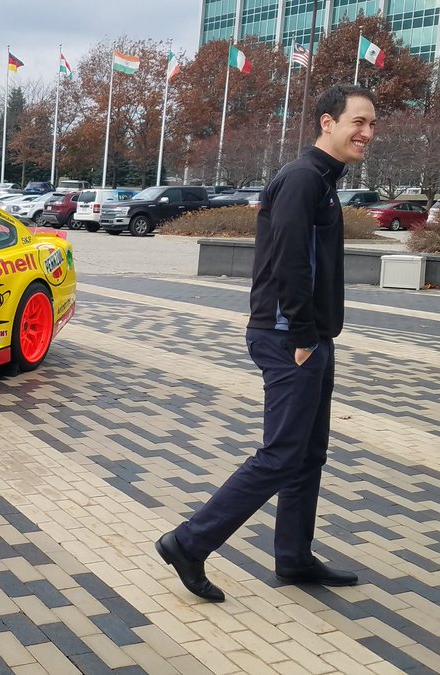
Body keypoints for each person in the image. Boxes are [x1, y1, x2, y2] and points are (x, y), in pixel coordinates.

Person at [155, 84, 377, 603]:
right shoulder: (303, 179)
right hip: (289, 338)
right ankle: (188, 543)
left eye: (371, 124)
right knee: (280, 455)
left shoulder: (320, 180)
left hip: (309, 337)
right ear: (327, 122)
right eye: (358, 122)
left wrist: (316, 334)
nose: (366, 133)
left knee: (307, 454)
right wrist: (302, 336)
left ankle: (294, 557)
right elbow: (289, 261)